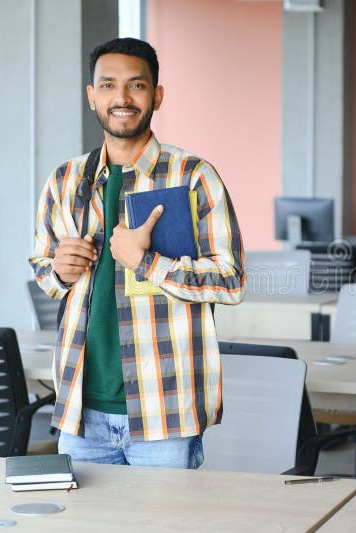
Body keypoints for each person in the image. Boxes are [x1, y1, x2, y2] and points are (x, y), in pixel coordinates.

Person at [29, 38, 245, 468]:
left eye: (136, 85)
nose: (122, 98)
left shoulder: (193, 177)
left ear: (157, 96)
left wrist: (148, 263)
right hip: (81, 412)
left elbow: (231, 280)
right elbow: (43, 269)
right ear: (92, 96)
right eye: (108, 85)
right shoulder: (66, 179)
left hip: (164, 410)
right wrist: (60, 271)